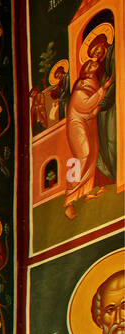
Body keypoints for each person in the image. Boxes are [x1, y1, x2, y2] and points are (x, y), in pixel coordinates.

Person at [63, 35, 115, 220]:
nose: (94, 66)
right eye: (90, 65)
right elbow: (84, 105)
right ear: (85, 71)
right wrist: (104, 88)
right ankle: (69, 200)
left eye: (95, 65)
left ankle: (84, 192)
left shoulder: (93, 83)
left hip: (88, 124)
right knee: (81, 156)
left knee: (91, 156)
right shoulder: (80, 86)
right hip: (77, 126)